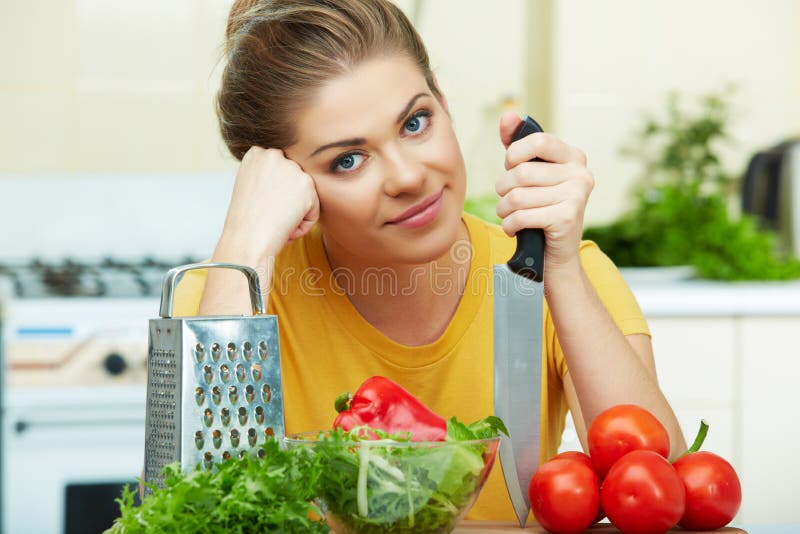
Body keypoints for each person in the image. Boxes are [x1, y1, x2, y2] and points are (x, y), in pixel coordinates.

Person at [173, 0, 686, 521]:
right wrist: (245, 243)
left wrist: (562, 272)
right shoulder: (228, 297)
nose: (408, 176)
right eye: (347, 160)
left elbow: (663, 491)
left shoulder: (560, 272)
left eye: (416, 122)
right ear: (284, 181)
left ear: (442, 99)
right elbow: (201, 515)